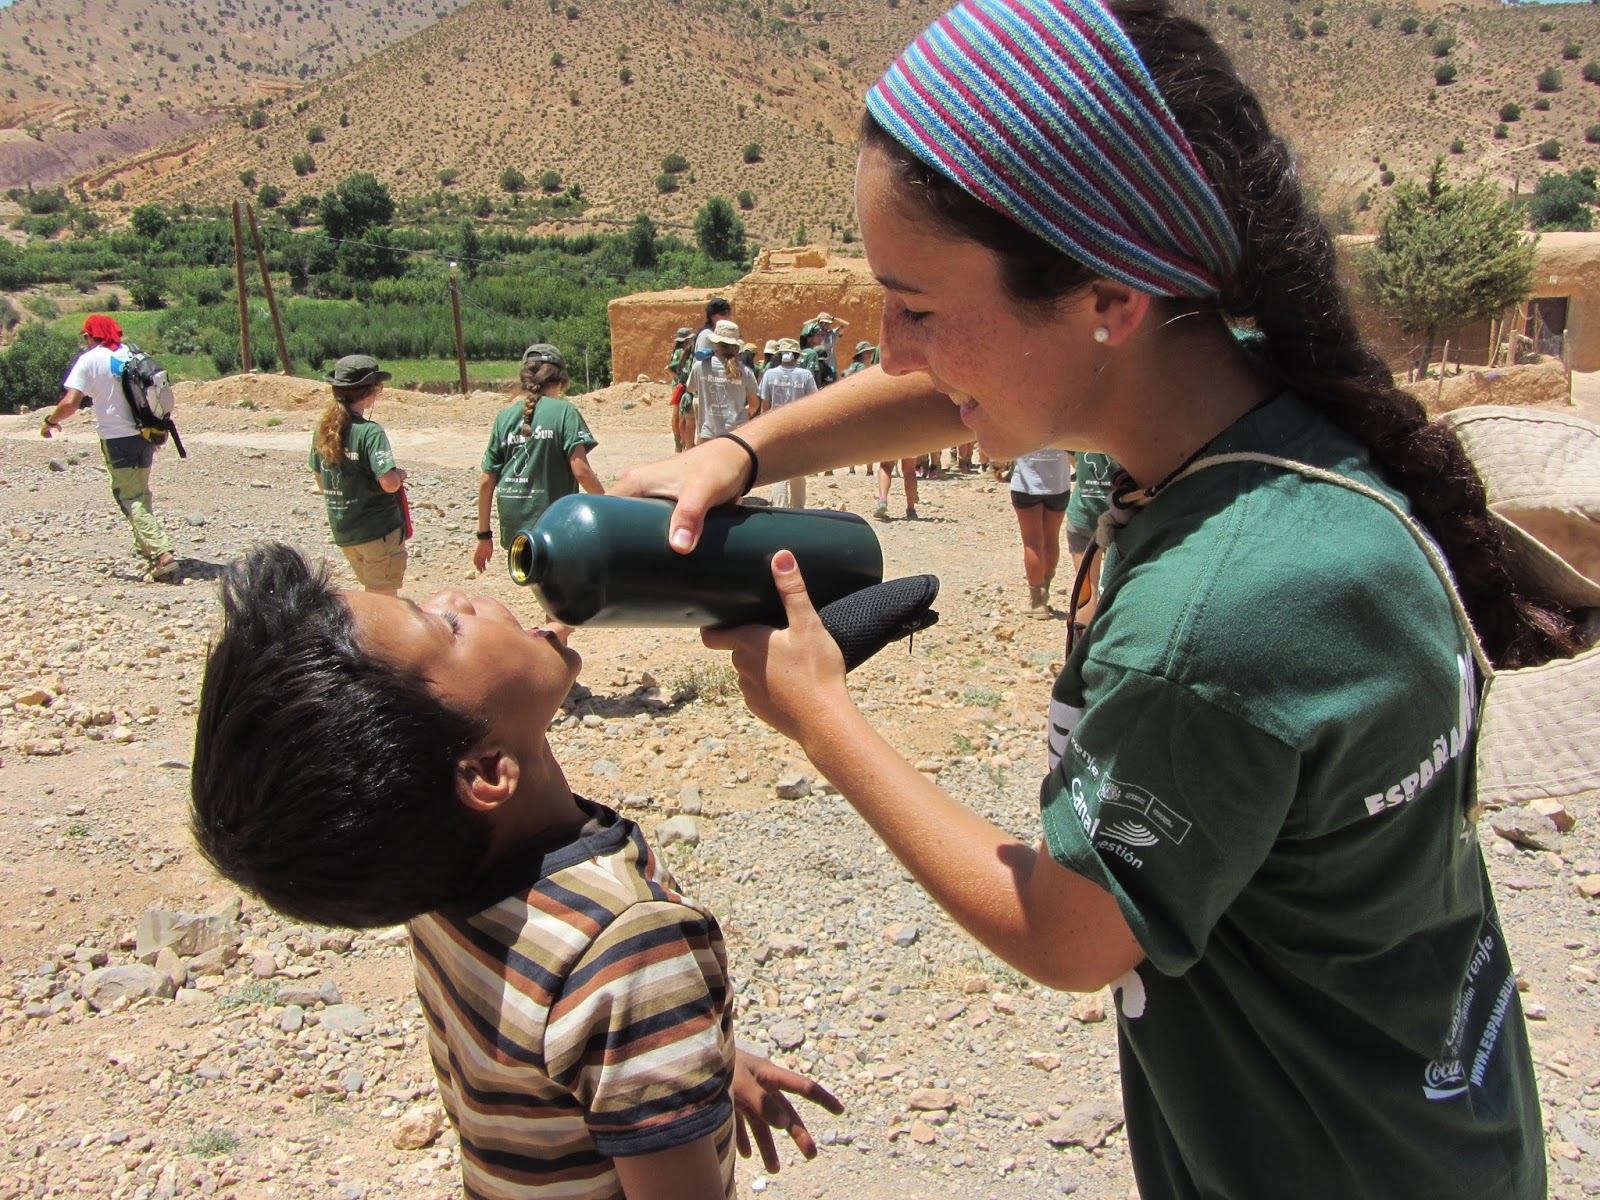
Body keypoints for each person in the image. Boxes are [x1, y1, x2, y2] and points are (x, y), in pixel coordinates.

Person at [613, 0, 1586, 1195]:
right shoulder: (1251, 404)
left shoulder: (1215, 619)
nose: (892, 346)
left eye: (914, 306)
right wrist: (744, 454)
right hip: (1435, 1130)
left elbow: (1071, 932)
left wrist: (822, 716)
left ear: (1110, 302)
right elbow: (965, 375)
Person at [188, 544, 844, 1200]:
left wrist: (682, 1063)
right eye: (444, 627)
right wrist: (660, 1045)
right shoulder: (627, 947)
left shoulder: (439, 885)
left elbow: (554, 1048)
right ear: (485, 771)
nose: (456, 597)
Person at [39, 315, 178, 581]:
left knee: (129, 497)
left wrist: (49, 422)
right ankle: (145, 544)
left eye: (85, 336)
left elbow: (71, 402)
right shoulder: (133, 353)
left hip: (116, 439)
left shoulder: (89, 360)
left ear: (91, 335)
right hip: (146, 434)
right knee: (139, 491)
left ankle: (162, 552)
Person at [473, 344, 604, 575]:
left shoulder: (504, 417)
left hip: (515, 530)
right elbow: (581, 471)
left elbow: (486, 482)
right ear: (561, 379)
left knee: (544, 588)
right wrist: (607, 506)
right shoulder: (565, 412)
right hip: (554, 527)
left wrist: (484, 536)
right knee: (561, 596)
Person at [308, 354, 408, 596]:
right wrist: (400, 475)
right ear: (371, 391)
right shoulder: (370, 432)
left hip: (346, 533)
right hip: (377, 532)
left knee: (371, 595)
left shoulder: (323, 430)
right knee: (383, 606)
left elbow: (320, 481)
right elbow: (388, 483)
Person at [1009, 447, 1072, 619]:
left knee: (1033, 543)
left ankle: (1037, 602)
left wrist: (997, 466)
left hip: (1026, 484)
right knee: (1051, 539)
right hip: (1059, 484)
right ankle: (1045, 591)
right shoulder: (1063, 420)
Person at [757, 338, 818, 508]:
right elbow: (812, 403)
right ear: (798, 356)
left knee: (778, 472)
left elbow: (765, 406)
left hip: (775, 427)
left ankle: (780, 508)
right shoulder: (805, 375)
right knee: (798, 470)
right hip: (798, 427)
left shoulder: (770, 374)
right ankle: (798, 510)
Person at [1064, 449, 1117, 626]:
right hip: (1121, 516)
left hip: (1085, 514)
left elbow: (1074, 461)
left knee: (1087, 594)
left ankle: (1082, 645)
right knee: (1119, 589)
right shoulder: (1130, 429)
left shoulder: (1087, 428)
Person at [686, 319, 759, 443]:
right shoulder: (745, 371)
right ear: (736, 347)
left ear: (714, 343)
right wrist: (744, 412)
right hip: (737, 433)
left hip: (708, 434)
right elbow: (754, 404)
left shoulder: (700, 366)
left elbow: (691, 388)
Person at [667, 326, 695, 452]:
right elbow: (669, 368)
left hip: (676, 385)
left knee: (677, 414)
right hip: (680, 386)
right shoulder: (681, 352)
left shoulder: (676, 351)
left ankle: (678, 441)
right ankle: (682, 442)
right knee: (680, 414)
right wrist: (679, 379)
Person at [797, 322, 835, 391]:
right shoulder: (812, 353)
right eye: (818, 335)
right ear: (809, 339)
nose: (820, 338)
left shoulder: (797, 353)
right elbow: (810, 379)